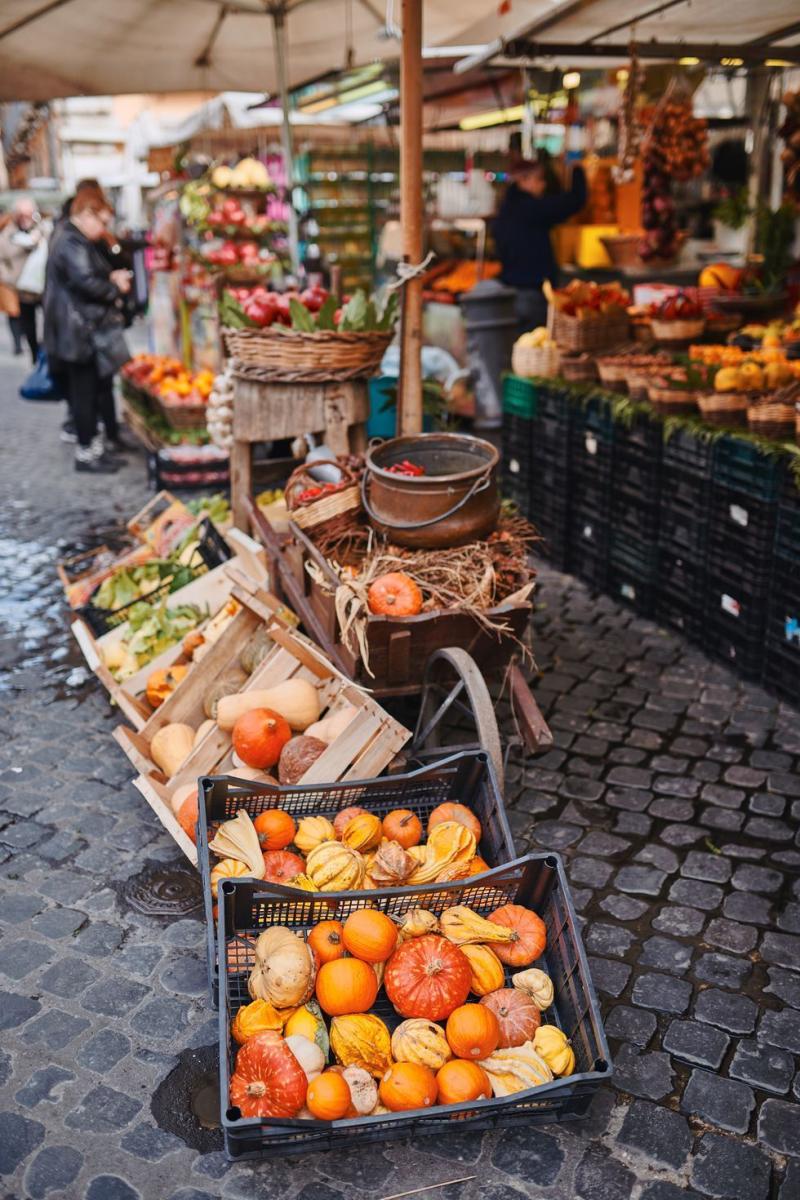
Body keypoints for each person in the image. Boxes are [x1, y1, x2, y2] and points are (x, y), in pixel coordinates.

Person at [43, 185, 132, 473]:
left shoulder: (72, 238)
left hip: (76, 330)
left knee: (88, 392)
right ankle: (87, 454)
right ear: (86, 214)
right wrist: (114, 286)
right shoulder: (71, 241)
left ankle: (93, 448)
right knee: (83, 394)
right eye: (102, 221)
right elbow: (85, 282)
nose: (104, 228)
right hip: (77, 333)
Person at [493, 158, 587, 336]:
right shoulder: (531, 209)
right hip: (532, 295)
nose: (543, 185)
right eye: (539, 179)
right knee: (535, 349)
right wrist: (577, 170)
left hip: (511, 293)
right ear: (523, 180)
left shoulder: (506, 210)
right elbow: (575, 200)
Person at [0, 196, 47, 360]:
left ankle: (46, 353)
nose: (25, 218)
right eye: (22, 214)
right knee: (28, 324)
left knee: (50, 320)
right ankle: (34, 354)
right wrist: (10, 278)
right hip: (21, 288)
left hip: (43, 287)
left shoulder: (43, 230)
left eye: (29, 214)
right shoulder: (7, 234)